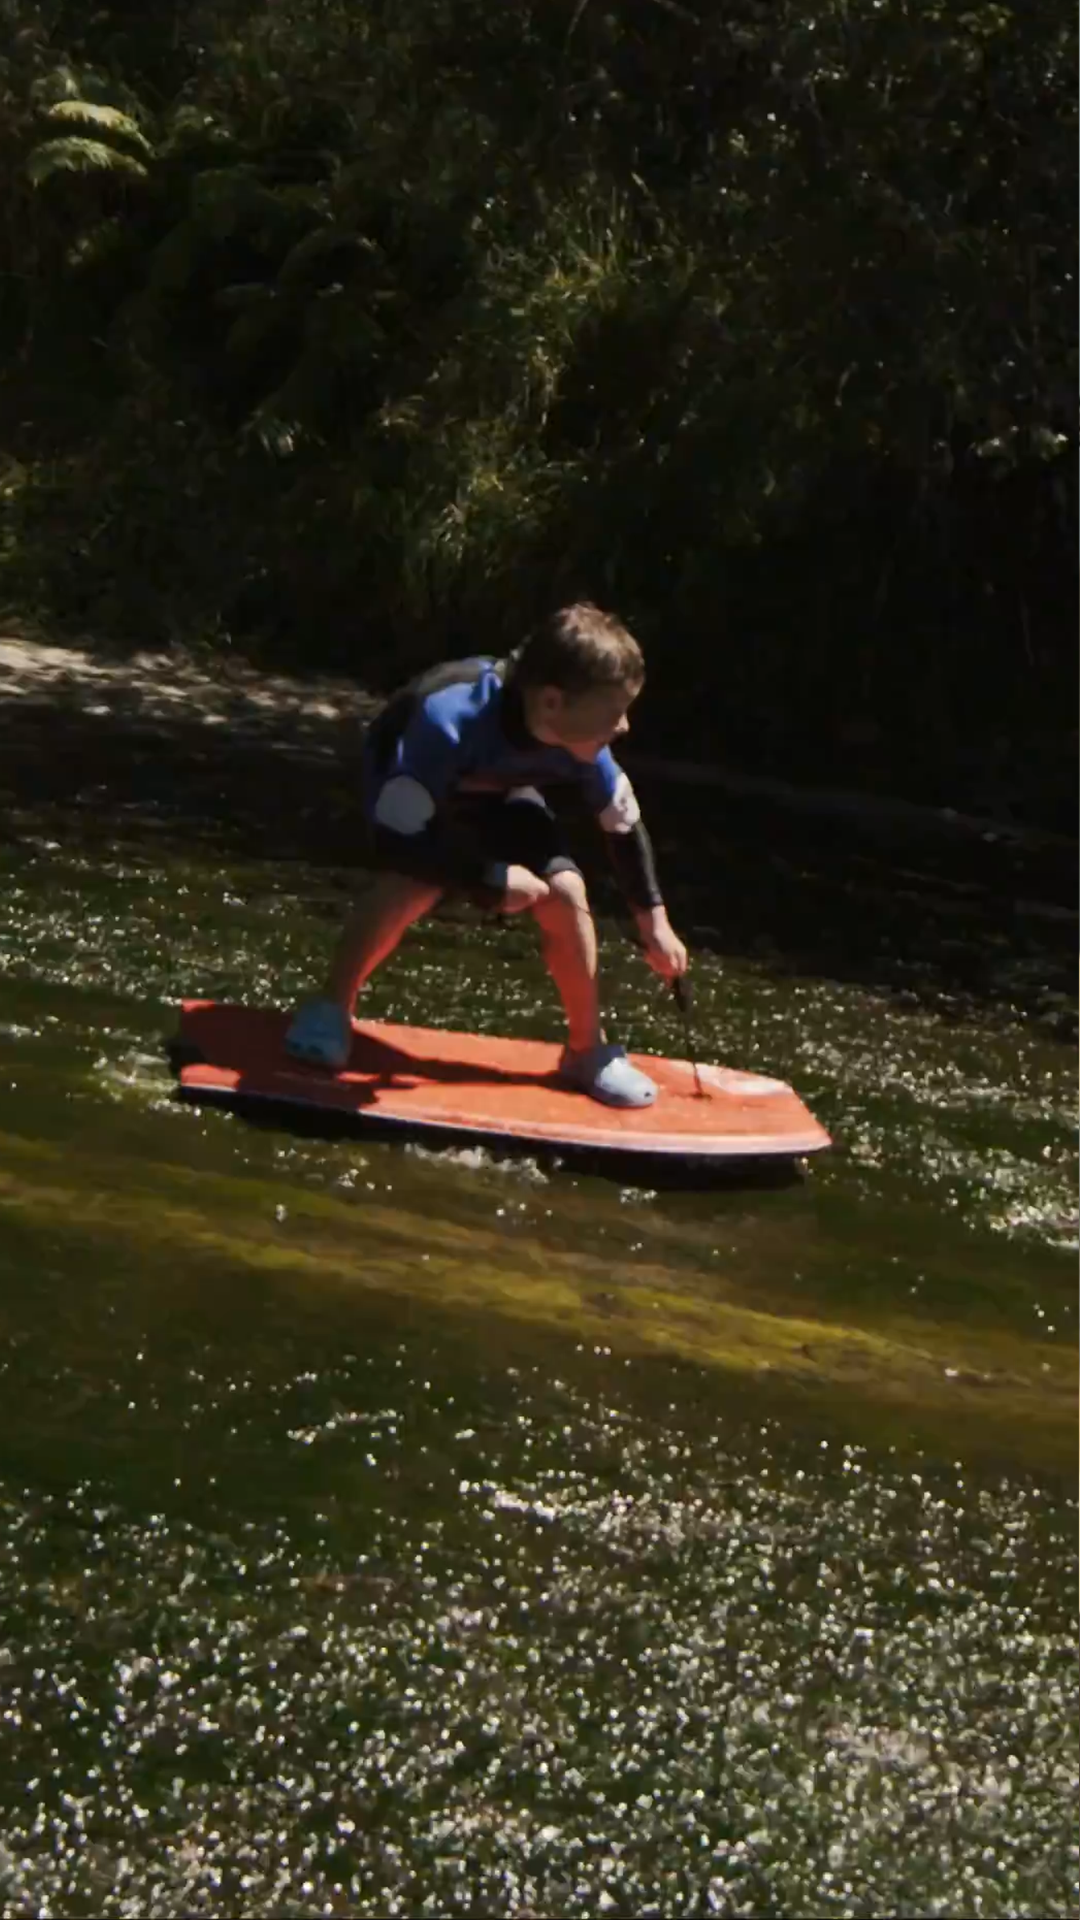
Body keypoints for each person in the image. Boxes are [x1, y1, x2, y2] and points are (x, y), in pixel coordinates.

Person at [285, 602, 688, 1106]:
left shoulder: (582, 739)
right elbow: (400, 839)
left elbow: (624, 826)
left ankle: (587, 1050)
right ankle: (331, 1008)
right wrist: (486, 877)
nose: (625, 726)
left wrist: (655, 923)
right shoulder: (447, 720)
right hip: (409, 797)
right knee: (416, 881)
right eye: (613, 712)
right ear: (551, 703)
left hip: (498, 791)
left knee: (566, 890)